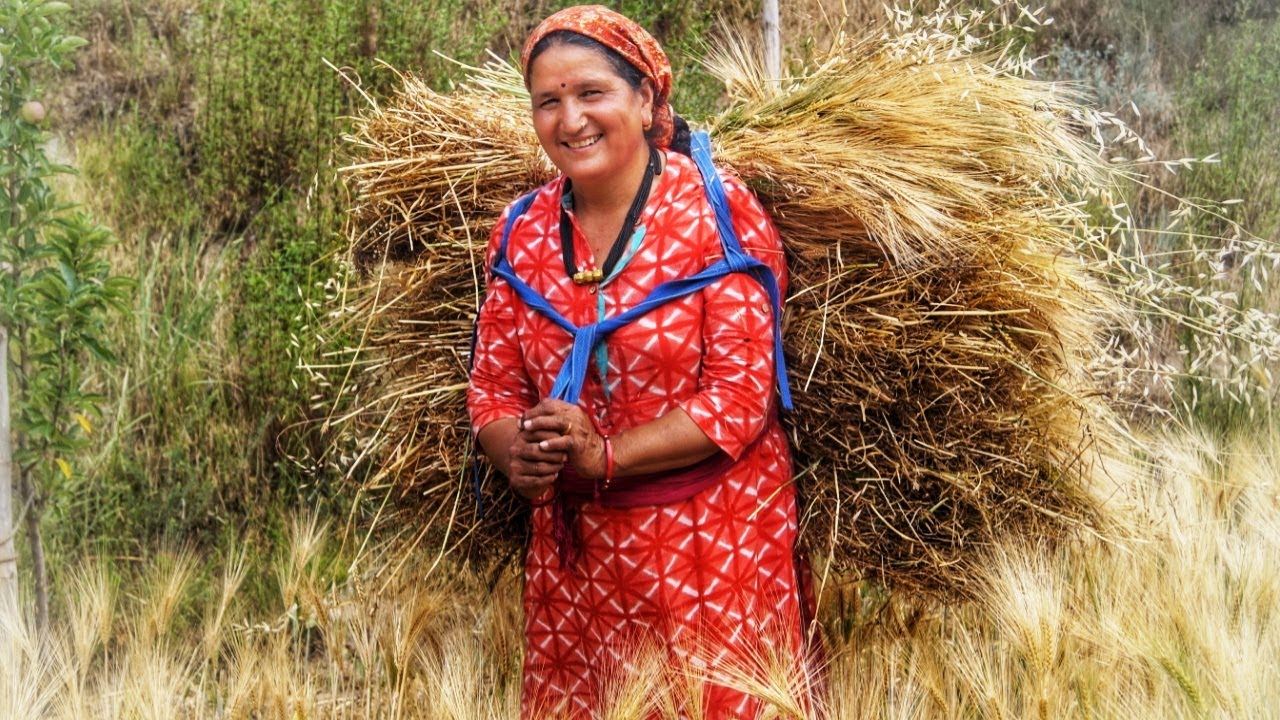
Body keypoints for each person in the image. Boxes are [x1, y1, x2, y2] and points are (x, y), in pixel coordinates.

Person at [467, 6, 811, 717]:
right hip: (579, 571)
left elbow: (741, 399)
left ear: (646, 99)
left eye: (592, 93)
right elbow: (494, 384)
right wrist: (514, 453)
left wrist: (607, 456)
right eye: (548, 102)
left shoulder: (716, 215)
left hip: (713, 552)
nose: (570, 120)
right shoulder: (522, 231)